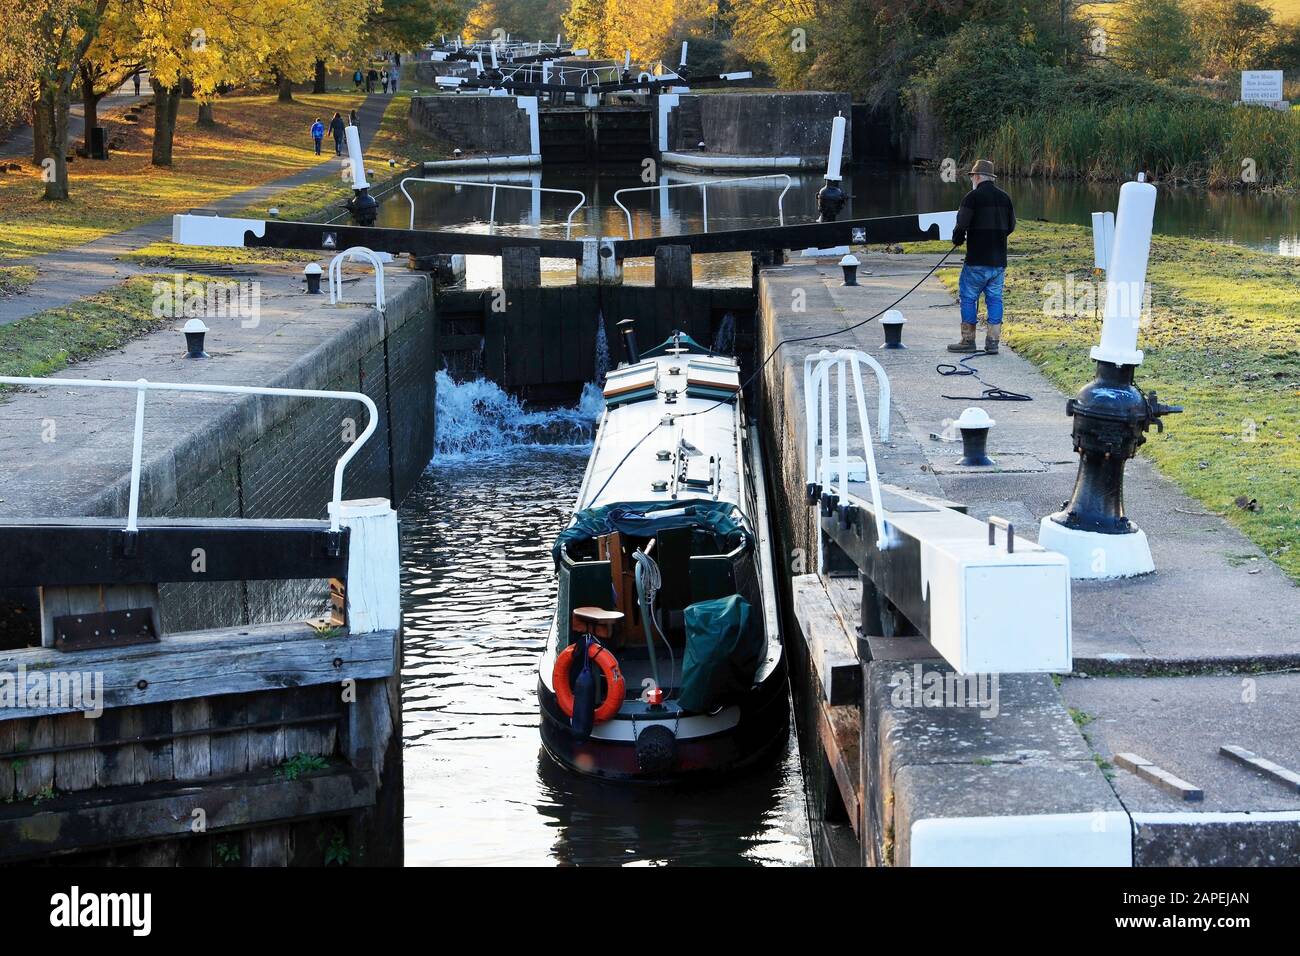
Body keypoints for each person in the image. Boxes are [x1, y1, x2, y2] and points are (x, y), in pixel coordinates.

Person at [948, 159, 1016, 355]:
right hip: (998, 261)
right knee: (995, 299)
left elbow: (962, 223)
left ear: (977, 177)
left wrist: (957, 239)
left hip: (977, 260)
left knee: (968, 297)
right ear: (990, 178)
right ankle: (993, 342)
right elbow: (1011, 226)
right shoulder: (1005, 198)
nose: (972, 180)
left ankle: (968, 340)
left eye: (972, 177)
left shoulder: (972, 197)